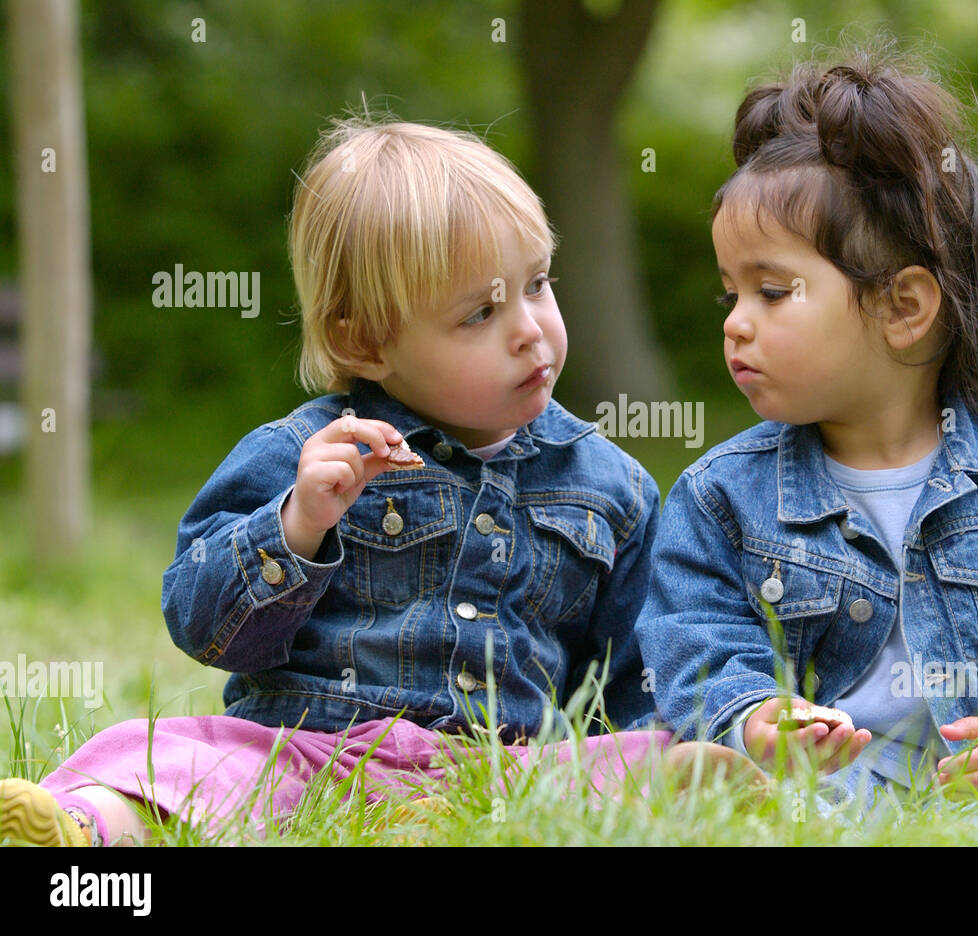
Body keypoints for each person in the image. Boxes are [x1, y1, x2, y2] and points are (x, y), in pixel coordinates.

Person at [0, 117, 673, 846]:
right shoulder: (300, 455)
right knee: (165, 754)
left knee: (672, 752)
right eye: (480, 312)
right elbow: (202, 627)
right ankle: (87, 829)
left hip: (505, 772)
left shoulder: (614, 489)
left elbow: (631, 677)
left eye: (537, 285)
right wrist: (296, 525)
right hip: (310, 757)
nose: (530, 330)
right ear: (365, 342)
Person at [633, 46, 978, 818]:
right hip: (819, 792)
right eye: (731, 294)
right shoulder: (720, 495)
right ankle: (742, 809)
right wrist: (753, 717)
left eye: (772, 292)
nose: (735, 325)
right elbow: (689, 636)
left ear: (904, 308)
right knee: (751, 796)